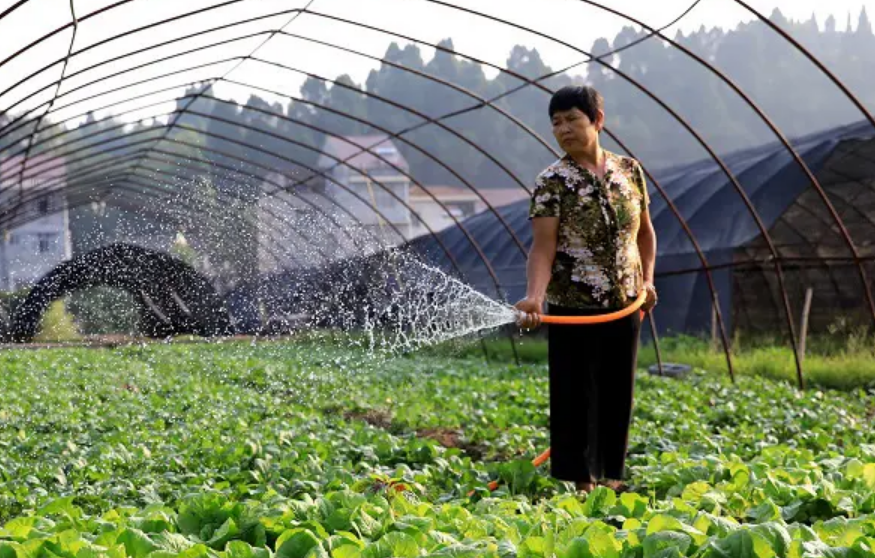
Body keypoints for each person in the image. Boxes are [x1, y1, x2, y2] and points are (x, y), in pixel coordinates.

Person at [514, 85, 657, 494]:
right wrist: (535, 297)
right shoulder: (551, 181)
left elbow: (645, 234)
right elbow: (543, 248)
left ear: (597, 120)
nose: (563, 129)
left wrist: (646, 281)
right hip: (573, 305)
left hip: (625, 303)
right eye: (556, 123)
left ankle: (611, 478)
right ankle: (583, 486)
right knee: (576, 395)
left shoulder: (630, 171)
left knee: (617, 393)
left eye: (572, 119)